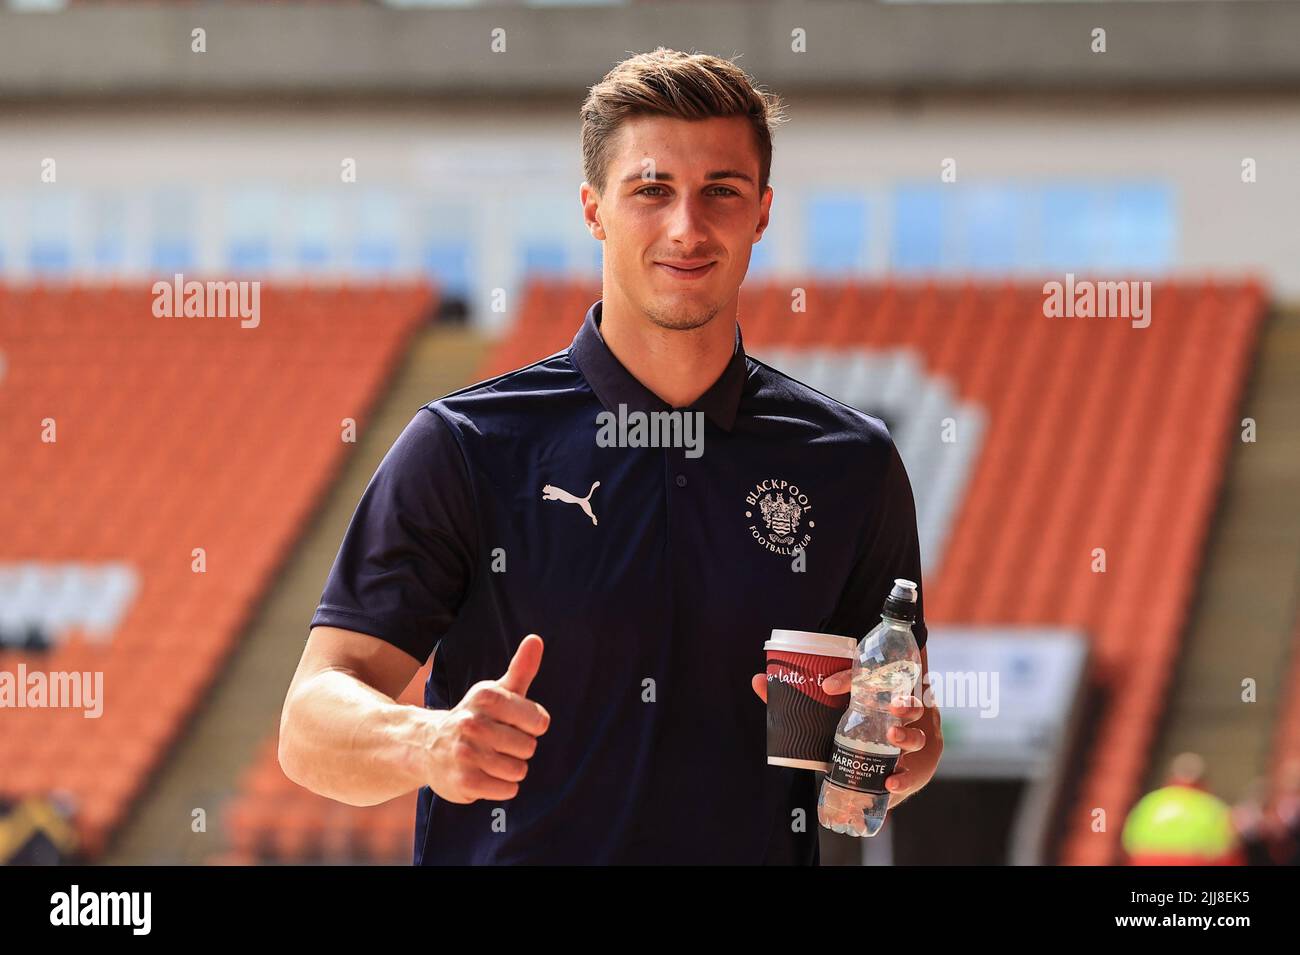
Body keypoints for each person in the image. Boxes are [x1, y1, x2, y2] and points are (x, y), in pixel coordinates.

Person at [277, 47, 941, 865]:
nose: (686, 227)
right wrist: (429, 740)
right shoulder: (466, 447)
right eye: (651, 190)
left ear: (762, 212)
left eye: (721, 193)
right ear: (593, 209)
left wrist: (905, 748)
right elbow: (310, 720)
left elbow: (892, 734)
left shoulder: (850, 463)